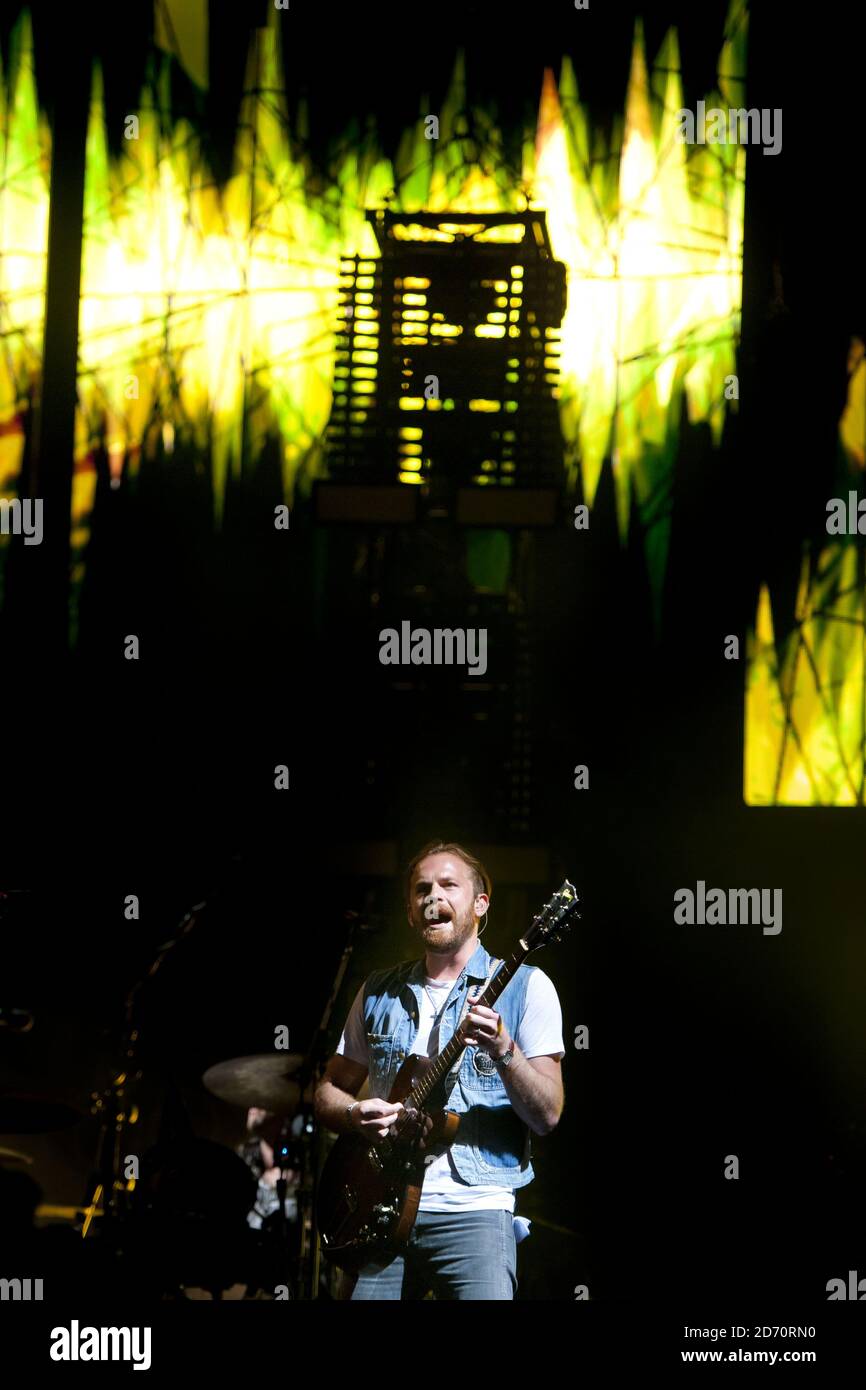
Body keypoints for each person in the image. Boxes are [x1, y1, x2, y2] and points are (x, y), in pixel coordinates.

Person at [314, 840, 565, 1300]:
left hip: (476, 1211)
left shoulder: (528, 987)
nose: (434, 897)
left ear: (480, 904)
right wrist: (355, 1115)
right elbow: (328, 1090)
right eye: (421, 889)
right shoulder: (377, 992)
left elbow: (547, 1115)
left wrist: (504, 1048)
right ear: (411, 912)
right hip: (380, 1211)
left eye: (449, 885)